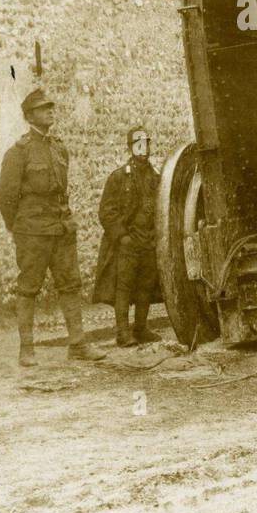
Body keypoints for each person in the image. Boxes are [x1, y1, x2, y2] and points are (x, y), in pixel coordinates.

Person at [0, 87, 107, 367]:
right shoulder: (18, 153)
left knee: (71, 285)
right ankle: (26, 349)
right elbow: (5, 197)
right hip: (33, 232)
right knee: (29, 287)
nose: (50, 112)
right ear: (29, 116)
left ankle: (78, 344)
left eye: (50, 107)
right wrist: (18, 226)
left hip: (61, 228)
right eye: (44, 108)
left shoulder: (59, 147)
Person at [93, 126, 161, 347]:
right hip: (128, 242)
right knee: (124, 286)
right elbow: (106, 212)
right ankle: (123, 332)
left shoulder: (157, 178)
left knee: (146, 285)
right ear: (130, 148)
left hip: (149, 241)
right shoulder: (119, 177)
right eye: (137, 144)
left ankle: (140, 328)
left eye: (146, 144)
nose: (143, 149)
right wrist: (122, 237)